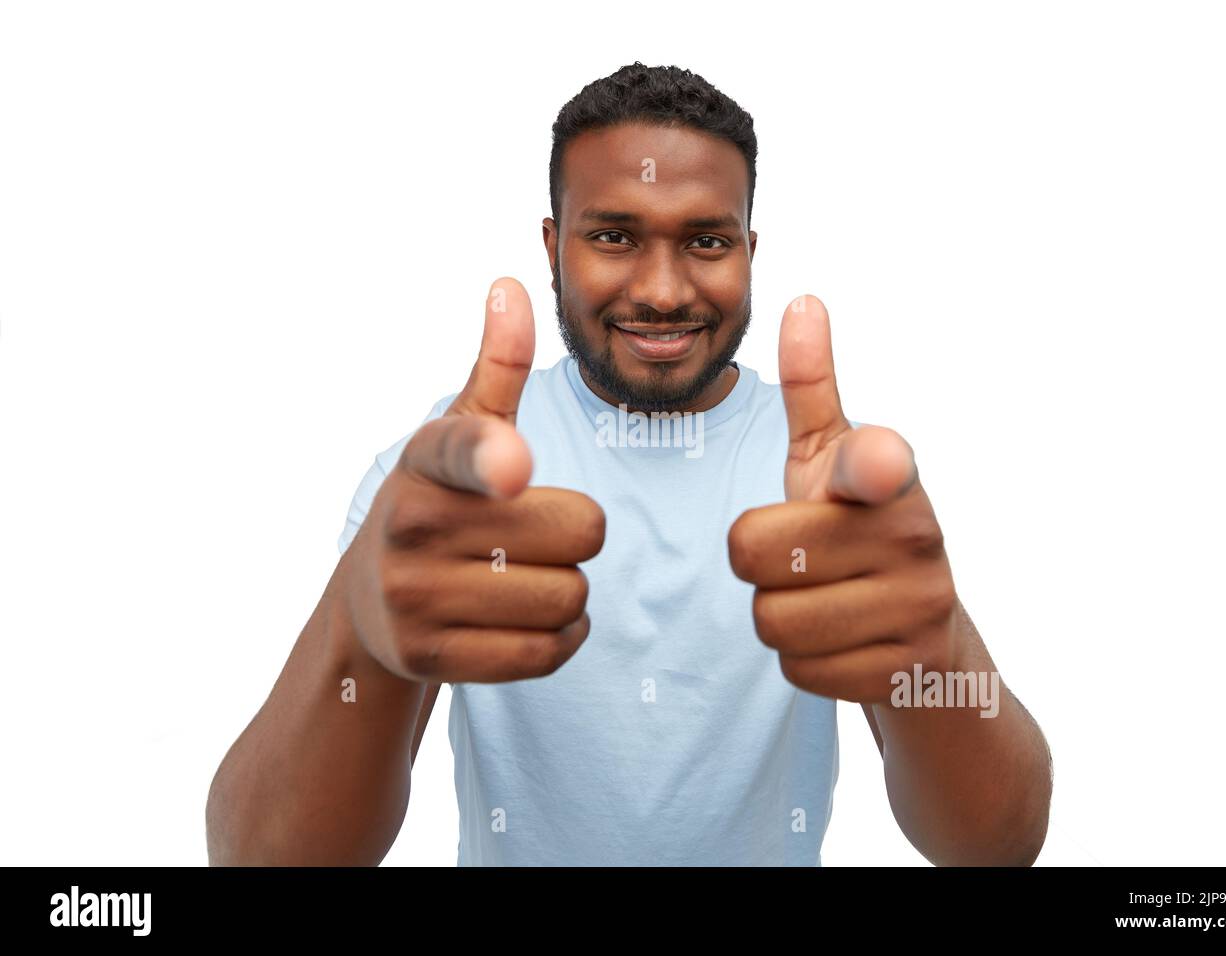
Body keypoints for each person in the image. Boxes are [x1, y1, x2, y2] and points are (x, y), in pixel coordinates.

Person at [206, 62, 1052, 866]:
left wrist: (937, 653)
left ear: (751, 250)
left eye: (707, 242)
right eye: (613, 236)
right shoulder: (449, 475)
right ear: (552, 245)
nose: (662, 290)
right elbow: (257, 856)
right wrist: (361, 633)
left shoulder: (838, 481)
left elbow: (996, 847)